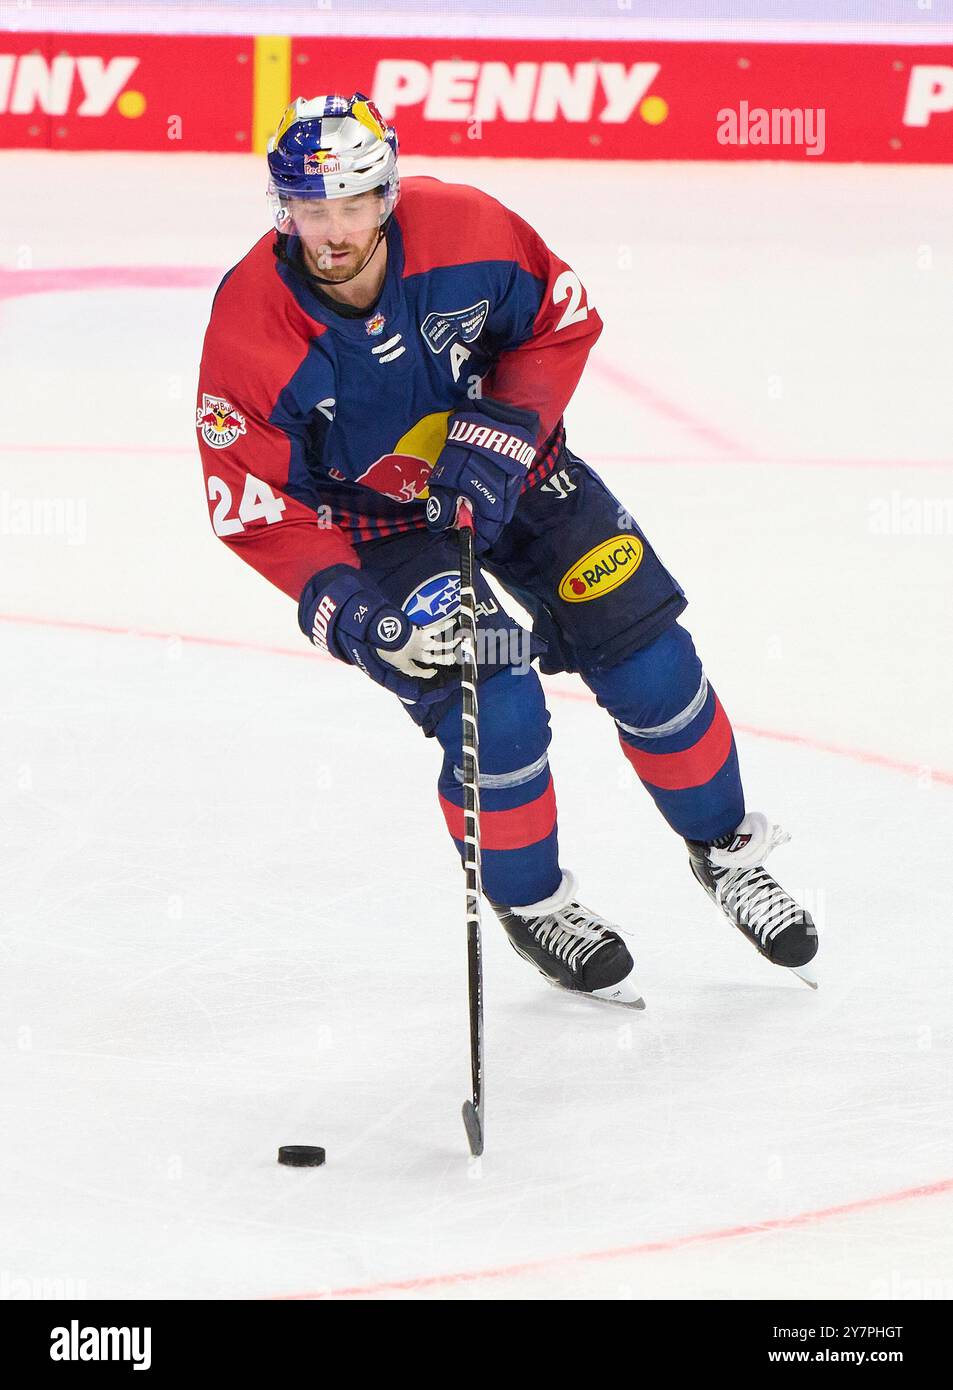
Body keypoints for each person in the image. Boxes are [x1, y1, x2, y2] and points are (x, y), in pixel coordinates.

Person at [195, 93, 818, 1008]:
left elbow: (560, 320)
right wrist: (358, 616)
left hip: (522, 477)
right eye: (309, 209)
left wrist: (501, 436)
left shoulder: (469, 229)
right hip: (383, 533)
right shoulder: (250, 329)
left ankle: (727, 854)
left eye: (353, 205)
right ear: (281, 208)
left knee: (649, 656)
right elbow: (257, 506)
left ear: (388, 194)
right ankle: (533, 906)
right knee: (497, 705)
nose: (331, 232)